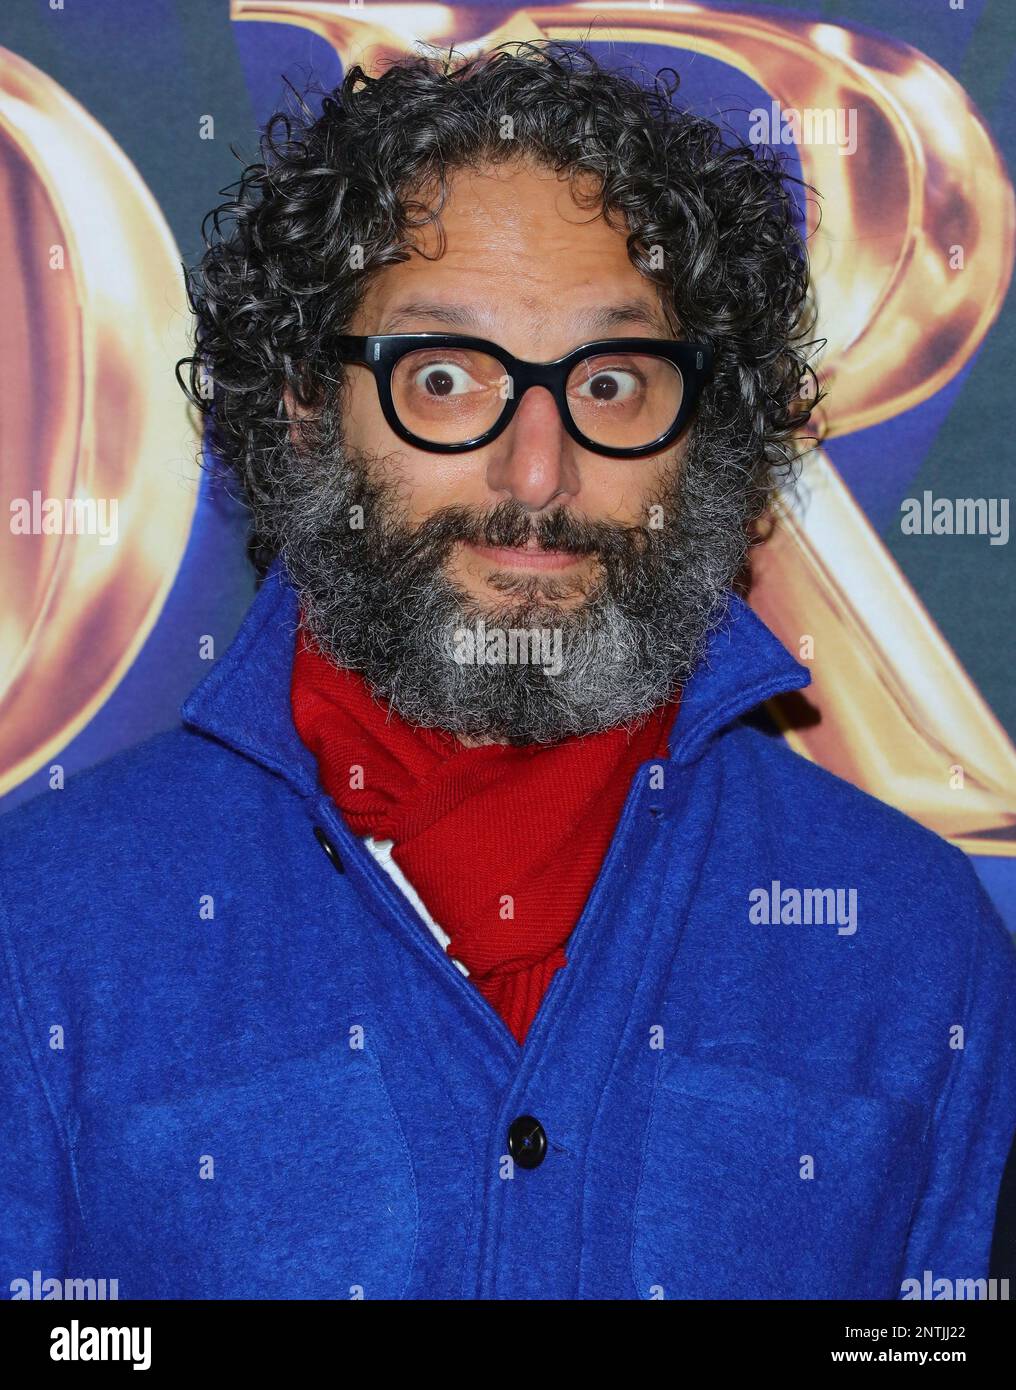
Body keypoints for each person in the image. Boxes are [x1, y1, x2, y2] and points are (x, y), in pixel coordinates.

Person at [1, 40, 1013, 1301]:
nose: (535, 474)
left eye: (610, 381)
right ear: (310, 404)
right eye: (441, 377)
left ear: (701, 441)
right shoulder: (44, 930)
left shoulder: (910, 942)